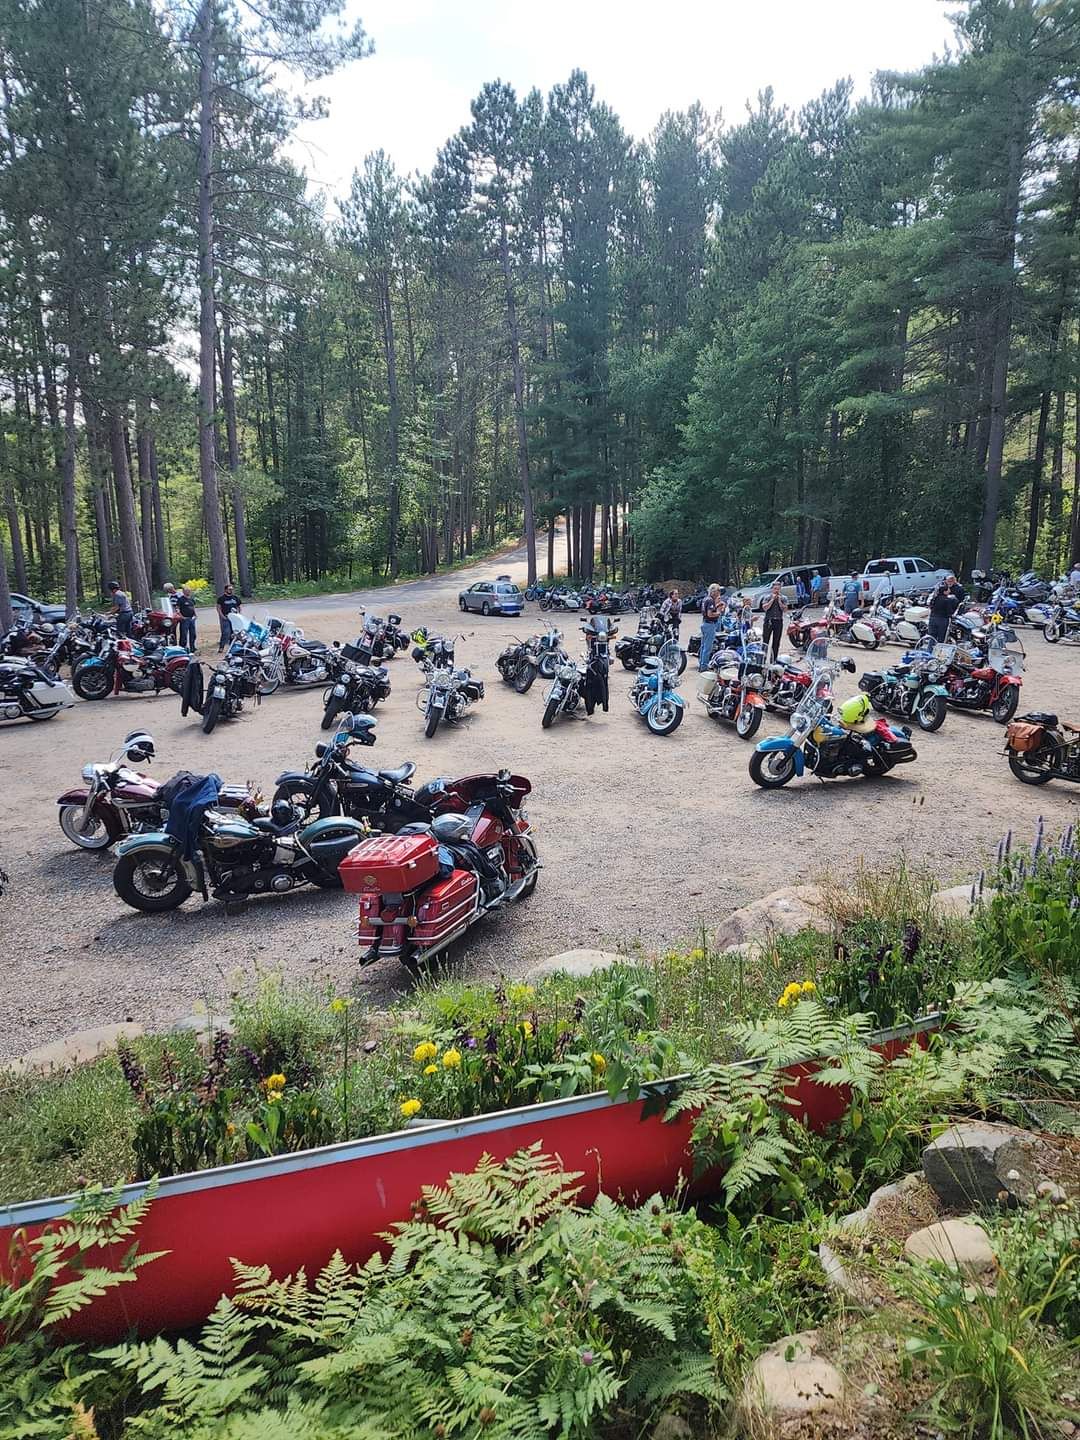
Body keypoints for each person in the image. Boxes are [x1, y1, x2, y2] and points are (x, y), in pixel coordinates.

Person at [927, 573, 964, 642]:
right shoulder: (947, 600)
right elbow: (949, 612)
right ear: (945, 591)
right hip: (942, 619)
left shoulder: (935, 598)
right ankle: (938, 651)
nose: (949, 590)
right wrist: (952, 615)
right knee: (941, 638)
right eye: (948, 590)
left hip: (932, 618)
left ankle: (929, 651)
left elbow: (930, 605)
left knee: (932, 638)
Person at [761, 580, 786, 661]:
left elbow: (785, 609)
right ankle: (763, 658)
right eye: (775, 589)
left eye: (778, 589)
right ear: (772, 589)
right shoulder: (767, 597)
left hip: (778, 621)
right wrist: (772, 600)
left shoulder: (783, 598)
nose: (776, 591)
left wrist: (779, 601)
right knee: (765, 640)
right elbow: (765, 608)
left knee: (776, 641)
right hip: (769, 620)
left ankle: (774, 659)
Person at [699, 583, 722, 671]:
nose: (719, 593)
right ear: (713, 591)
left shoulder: (705, 599)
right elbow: (710, 614)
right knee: (707, 647)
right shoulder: (710, 600)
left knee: (703, 646)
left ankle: (701, 664)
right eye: (718, 590)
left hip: (704, 623)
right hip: (709, 624)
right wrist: (718, 613)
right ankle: (704, 667)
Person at [216, 583, 242, 652]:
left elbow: (239, 607)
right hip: (226, 617)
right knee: (226, 632)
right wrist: (222, 616)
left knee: (234, 632)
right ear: (225, 590)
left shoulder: (235, 598)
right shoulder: (221, 599)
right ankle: (221, 647)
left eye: (232, 589)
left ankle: (232, 647)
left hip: (234, 618)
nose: (231, 590)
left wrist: (238, 614)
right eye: (229, 589)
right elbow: (218, 608)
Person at [175, 585, 198, 652]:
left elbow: (193, 607)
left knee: (193, 634)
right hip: (185, 619)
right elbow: (177, 609)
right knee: (184, 634)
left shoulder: (191, 599)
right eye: (187, 591)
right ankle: (182, 648)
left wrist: (195, 615)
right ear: (184, 592)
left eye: (189, 591)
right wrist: (181, 616)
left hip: (191, 619)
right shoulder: (180, 599)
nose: (188, 592)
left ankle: (192, 647)